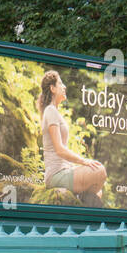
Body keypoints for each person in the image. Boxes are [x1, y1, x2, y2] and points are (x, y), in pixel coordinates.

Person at [39, 70, 107, 207]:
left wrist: (76, 165)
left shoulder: (54, 112)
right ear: (52, 88)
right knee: (99, 171)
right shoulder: (50, 111)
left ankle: (80, 200)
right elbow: (59, 150)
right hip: (56, 175)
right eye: (60, 83)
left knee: (98, 192)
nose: (64, 87)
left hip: (65, 170)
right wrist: (83, 162)